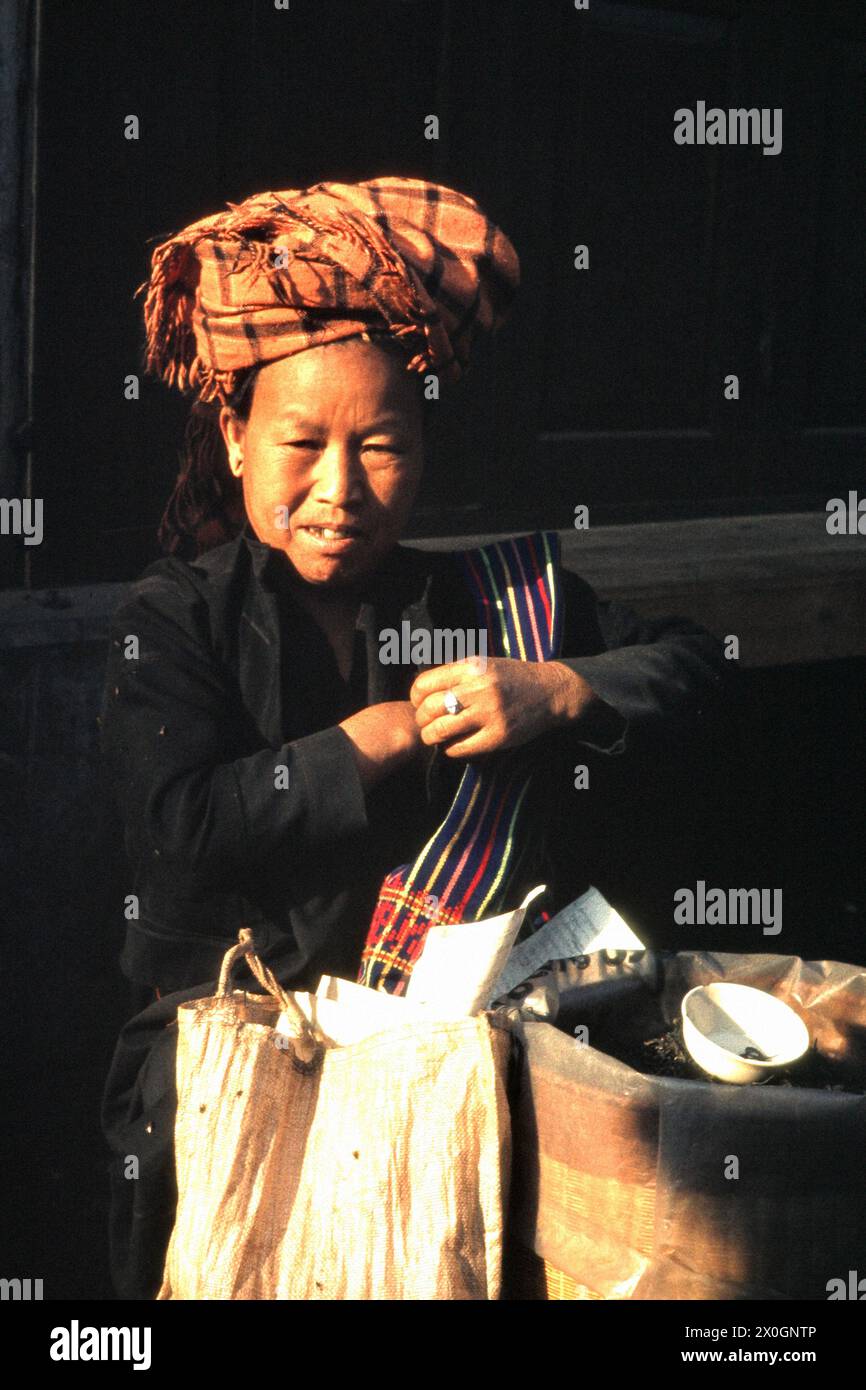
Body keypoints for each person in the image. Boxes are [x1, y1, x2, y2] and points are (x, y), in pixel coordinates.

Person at [100, 176, 729, 1296]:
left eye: (380, 445)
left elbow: (691, 667)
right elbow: (178, 832)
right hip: (225, 1064)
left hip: (447, 1080)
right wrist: (375, 737)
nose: (339, 489)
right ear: (236, 439)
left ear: (421, 449)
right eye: (300, 444)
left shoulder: (495, 608)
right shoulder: (176, 617)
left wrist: (560, 689)